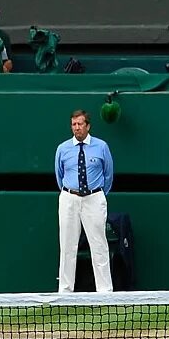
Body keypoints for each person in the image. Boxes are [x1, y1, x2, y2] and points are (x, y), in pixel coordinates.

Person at [55, 109, 113, 293]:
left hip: (94, 198)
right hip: (69, 198)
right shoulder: (62, 149)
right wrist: (71, 192)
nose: (77, 128)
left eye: (80, 124)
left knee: (99, 245)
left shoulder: (101, 146)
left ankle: (105, 292)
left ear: (88, 126)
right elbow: (60, 175)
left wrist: (98, 194)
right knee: (67, 245)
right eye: (74, 124)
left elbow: (108, 174)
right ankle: (65, 291)